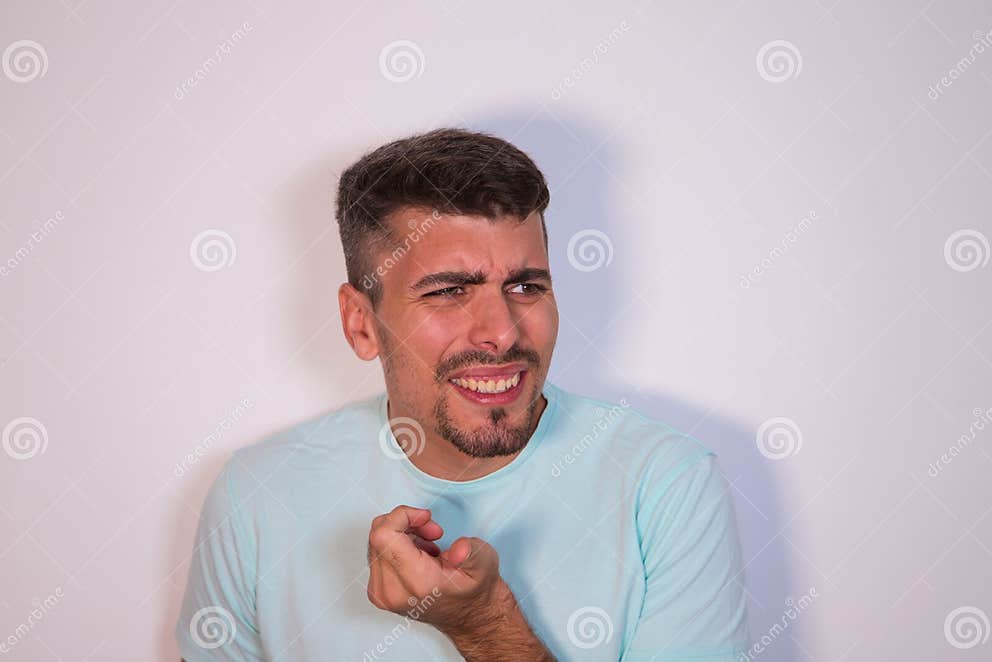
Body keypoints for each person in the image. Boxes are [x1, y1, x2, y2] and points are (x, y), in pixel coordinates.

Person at [174, 128, 749, 661]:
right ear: (360, 324)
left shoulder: (667, 484)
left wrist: (484, 625)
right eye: (449, 291)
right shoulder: (256, 494)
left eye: (525, 286)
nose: (502, 333)